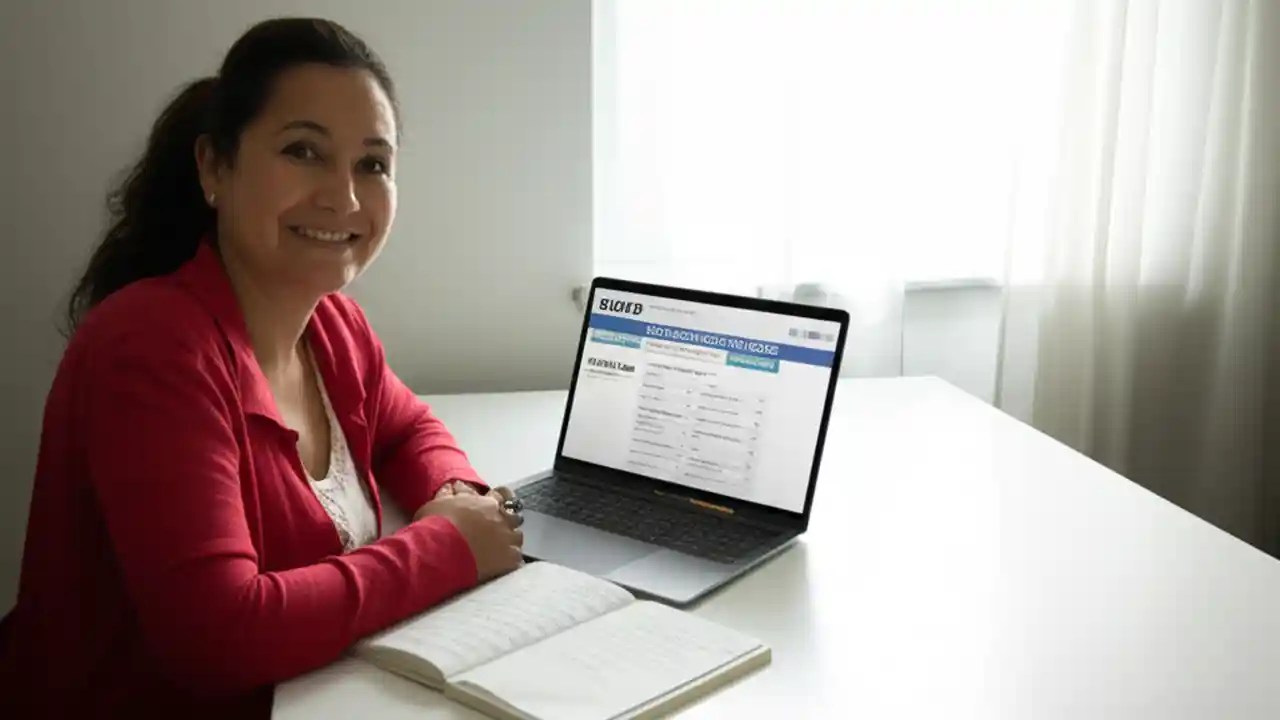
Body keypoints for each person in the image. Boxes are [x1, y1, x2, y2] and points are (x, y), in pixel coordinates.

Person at [0, 17, 524, 717]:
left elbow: (408, 429)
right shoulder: (151, 347)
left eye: (372, 164)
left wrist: (455, 494)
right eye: (304, 151)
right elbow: (217, 636)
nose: (344, 197)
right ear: (215, 168)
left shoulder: (334, 326)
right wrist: (447, 549)